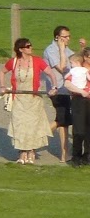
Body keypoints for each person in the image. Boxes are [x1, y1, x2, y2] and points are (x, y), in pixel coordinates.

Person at [0, 36, 53, 164]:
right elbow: (2, 72)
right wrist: (2, 86)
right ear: (21, 49)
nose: (31, 48)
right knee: (19, 124)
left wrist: (54, 87)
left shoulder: (37, 61)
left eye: (31, 46)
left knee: (32, 125)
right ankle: (22, 152)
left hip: (33, 99)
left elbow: (50, 73)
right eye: (28, 46)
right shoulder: (13, 62)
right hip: (18, 99)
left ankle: (31, 151)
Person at [44, 25, 76, 163]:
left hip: (67, 90)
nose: (68, 39)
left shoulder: (68, 50)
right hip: (57, 90)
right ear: (57, 37)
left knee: (64, 120)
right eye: (65, 37)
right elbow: (63, 68)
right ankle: (40, 135)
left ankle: (64, 154)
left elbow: (77, 63)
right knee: (63, 121)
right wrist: (62, 51)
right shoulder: (50, 50)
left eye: (69, 36)